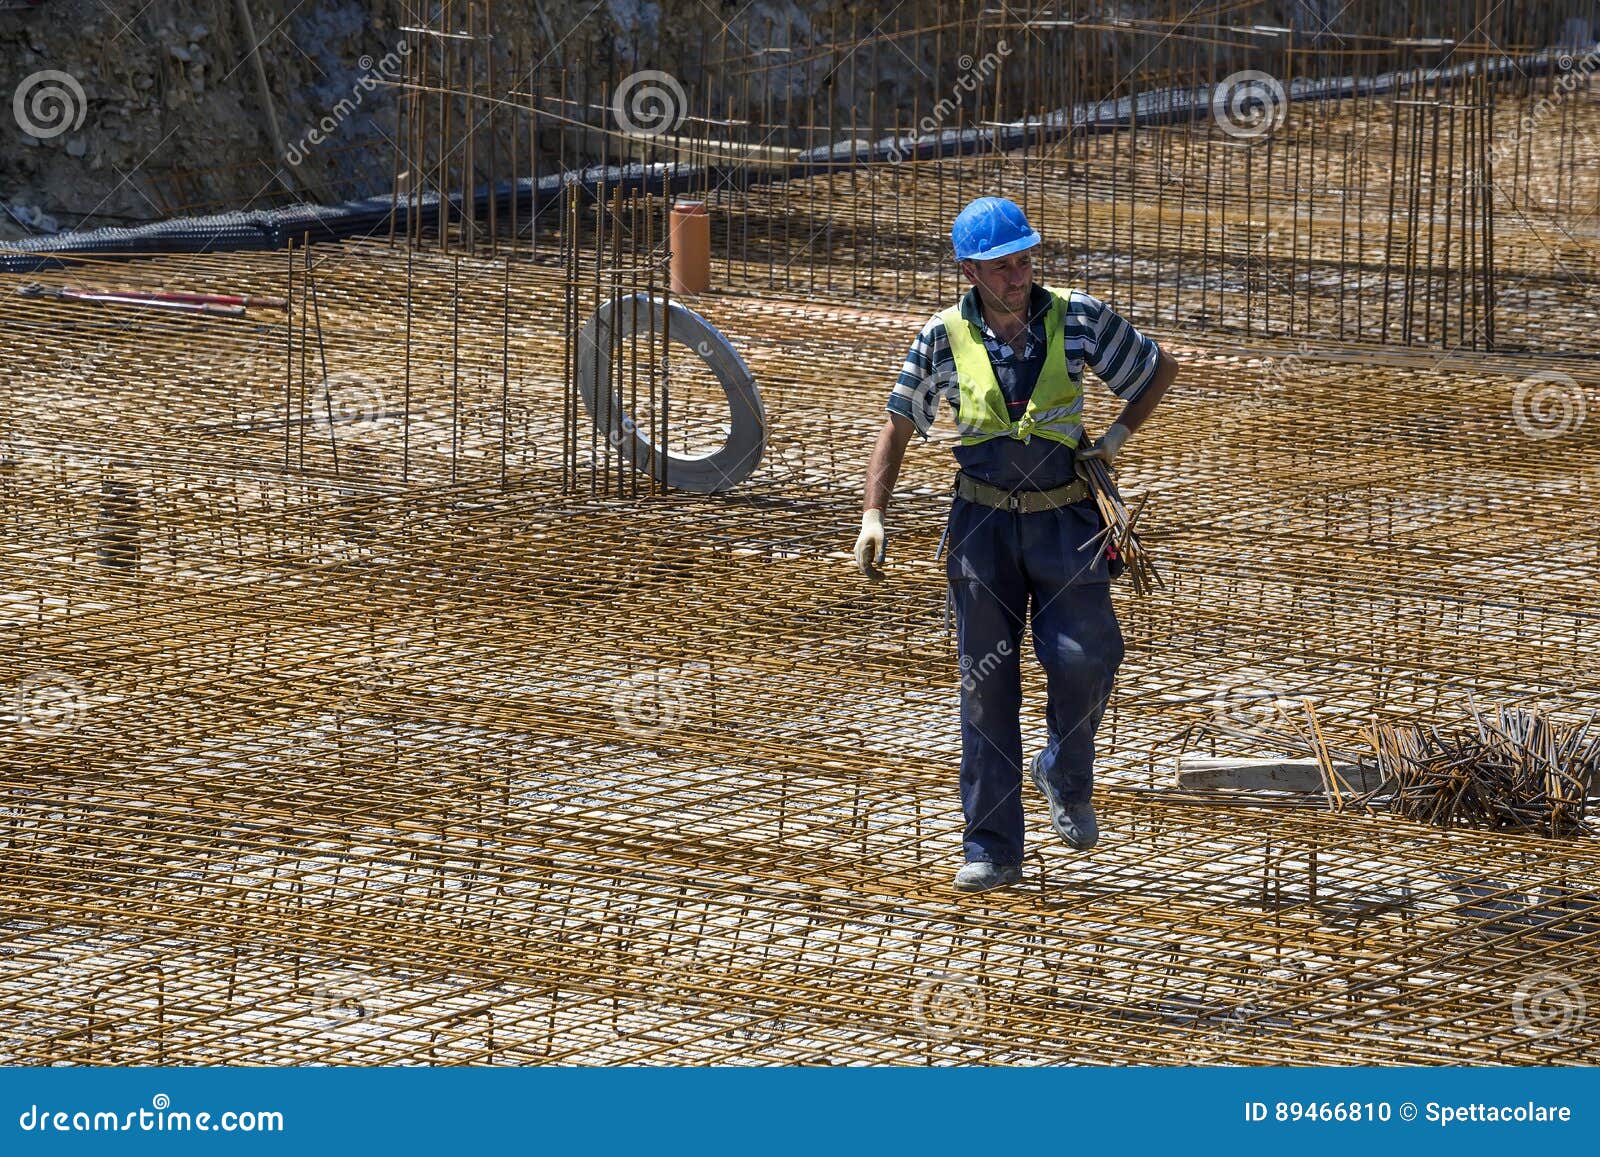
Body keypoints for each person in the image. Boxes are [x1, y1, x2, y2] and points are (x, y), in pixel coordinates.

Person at [854, 196, 1179, 892]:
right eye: (1001, 266)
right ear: (969, 271)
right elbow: (897, 425)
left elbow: (1157, 368)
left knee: (1088, 656)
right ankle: (993, 847)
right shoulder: (943, 337)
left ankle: (1063, 770)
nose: (1017, 276)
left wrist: (1116, 437)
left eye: (1025, 261)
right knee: (986, 690)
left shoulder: (1077, 317)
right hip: (983, 531)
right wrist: (873, 514)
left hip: (1067, 522)